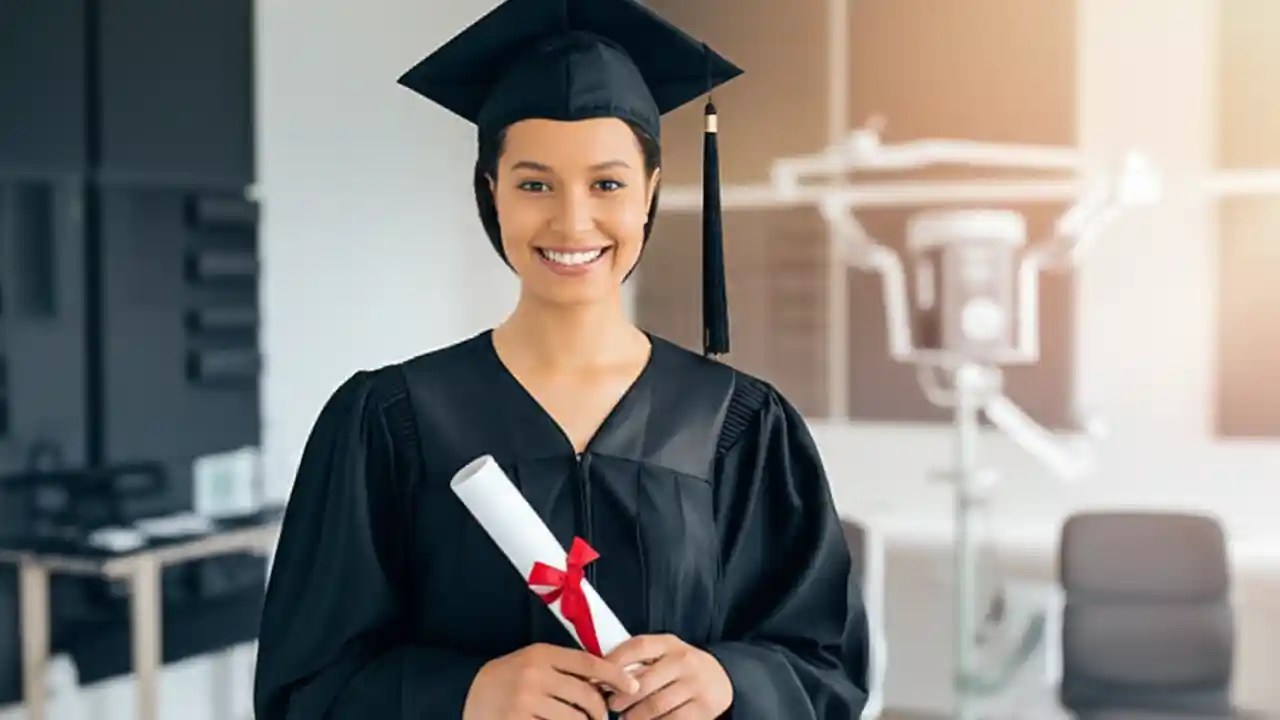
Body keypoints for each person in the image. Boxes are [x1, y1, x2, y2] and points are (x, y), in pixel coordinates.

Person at [252, 0, 870, 718]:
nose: (572, 221)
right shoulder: (390, 422)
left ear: (650, 194)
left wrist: (729, 682)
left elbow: (827, 667)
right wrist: (464, 695)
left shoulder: (739, 426)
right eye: (534, 183)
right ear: (492, 195)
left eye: (607, 183)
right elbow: (304, 691)